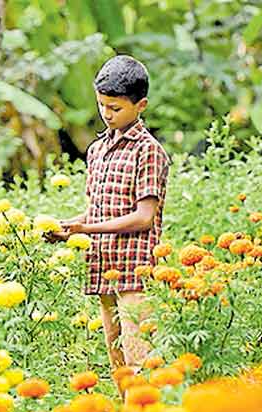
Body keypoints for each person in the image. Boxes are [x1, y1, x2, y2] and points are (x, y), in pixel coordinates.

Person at [54, 55, 170, 377]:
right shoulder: (97, 150)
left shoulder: (148, 151)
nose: (107, 114)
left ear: (141, 105)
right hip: (103, 267)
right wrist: (70, 229)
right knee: (116, 358)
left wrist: (87, 226)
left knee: (139, 359)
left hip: (135, 270)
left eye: (116, 108)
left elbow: (144, 216)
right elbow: (96, 210)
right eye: (102, 105)